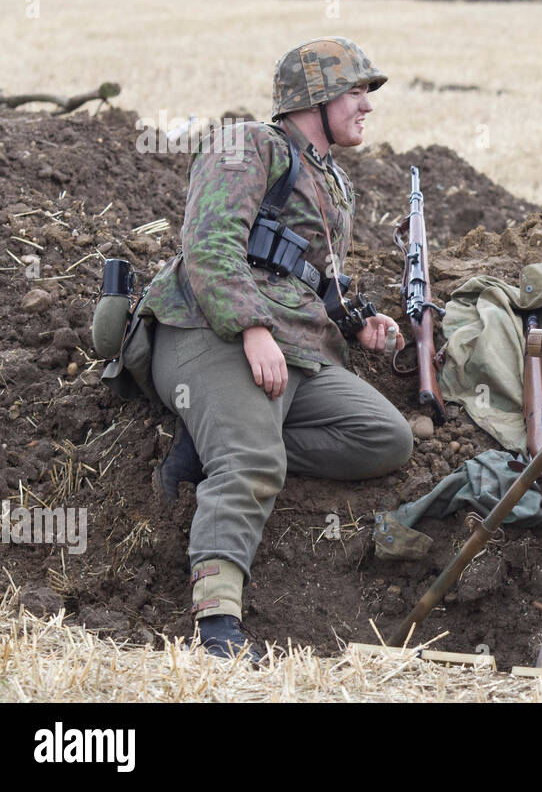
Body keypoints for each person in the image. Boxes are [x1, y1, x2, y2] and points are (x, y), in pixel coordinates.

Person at [137, 36, 415, 659]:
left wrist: (357, 324)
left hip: (298, 346)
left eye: (369, 92)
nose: (367, 105)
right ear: (313, 98)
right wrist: (251, 328)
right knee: (252, 462)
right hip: (208, 332)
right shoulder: (247, 145)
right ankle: (218, 630)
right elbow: (208, 245)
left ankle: (214, 436)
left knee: (385, 437)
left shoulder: (330, 179)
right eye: (356, 91)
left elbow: (309, 278)